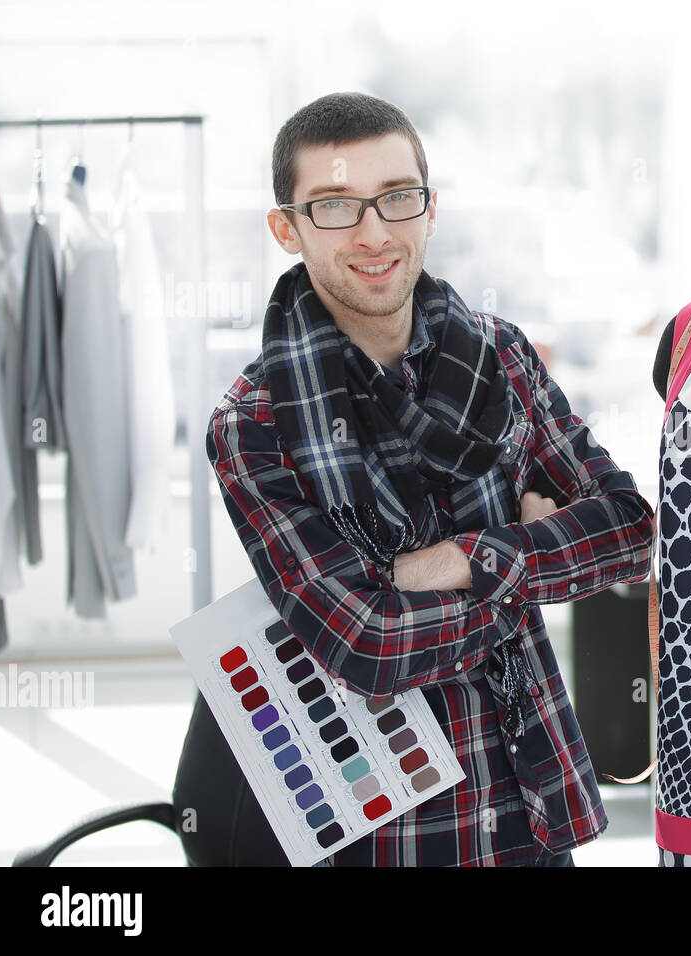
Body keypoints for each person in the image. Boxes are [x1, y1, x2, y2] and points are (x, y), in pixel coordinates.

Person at [206, 92, 654, 866]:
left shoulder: (499, 356)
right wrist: (531, 559)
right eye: (336, 206)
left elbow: (628, 532)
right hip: (390, 829)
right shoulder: (257, 422)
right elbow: (366, 644)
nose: (375, 233)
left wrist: (462, 561)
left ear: (430, 209)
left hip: (530, 802)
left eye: (397, 198)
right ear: (287, 228)